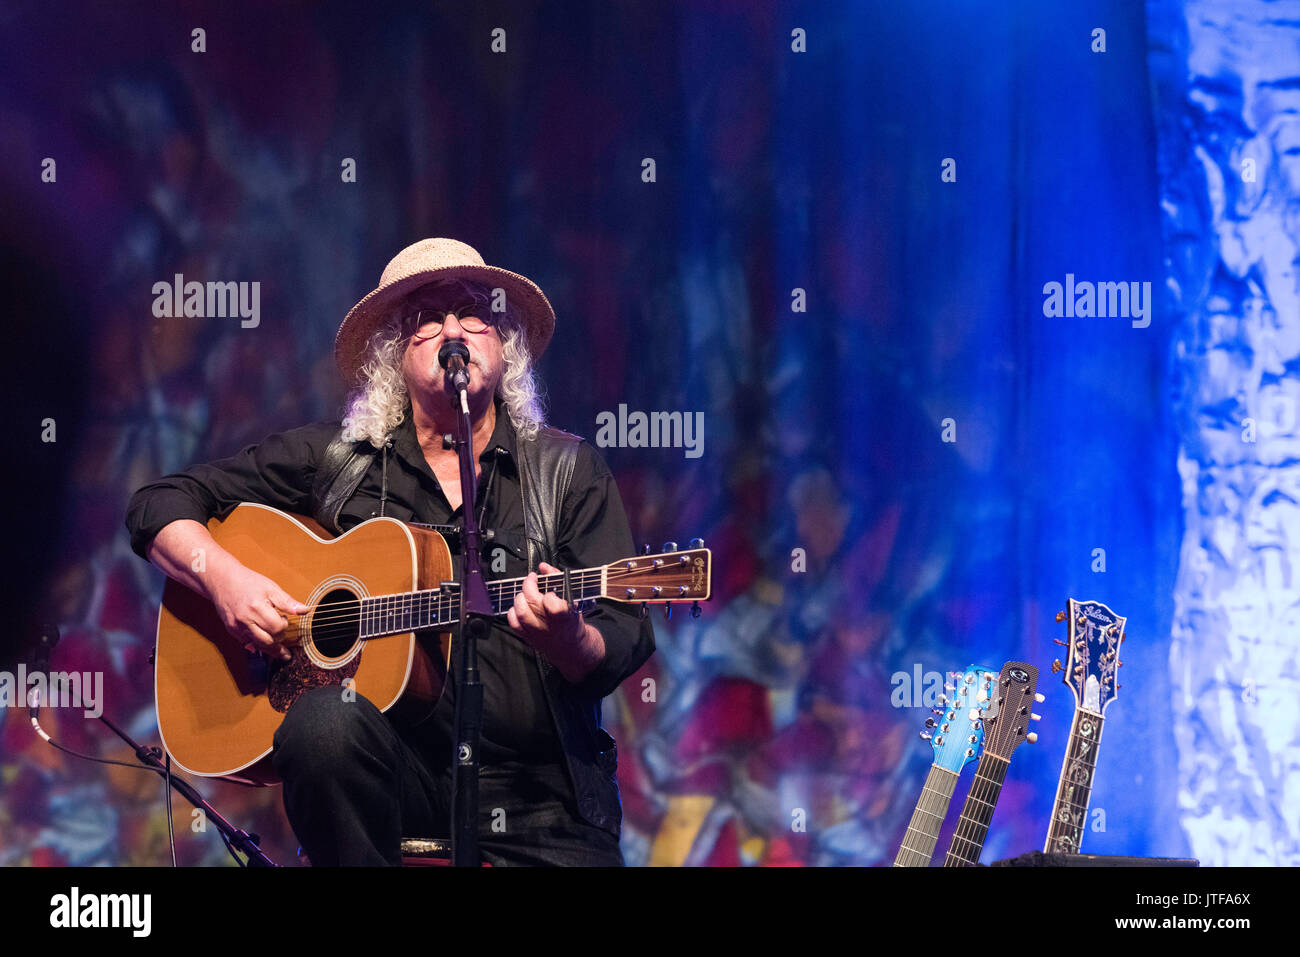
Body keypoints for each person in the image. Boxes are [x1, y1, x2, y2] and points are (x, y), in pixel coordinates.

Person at [126, 237, 655, 865]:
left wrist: (570, 642)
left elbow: (623, 634)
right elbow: (158, 503)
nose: (451, 330)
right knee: (326, 722)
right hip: (393, 787)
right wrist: (225, 580)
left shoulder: (567, 471)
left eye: (472, 313)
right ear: (390, 356)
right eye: (426, 319)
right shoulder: (338, 462)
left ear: (503, 344)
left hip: (541, 803)